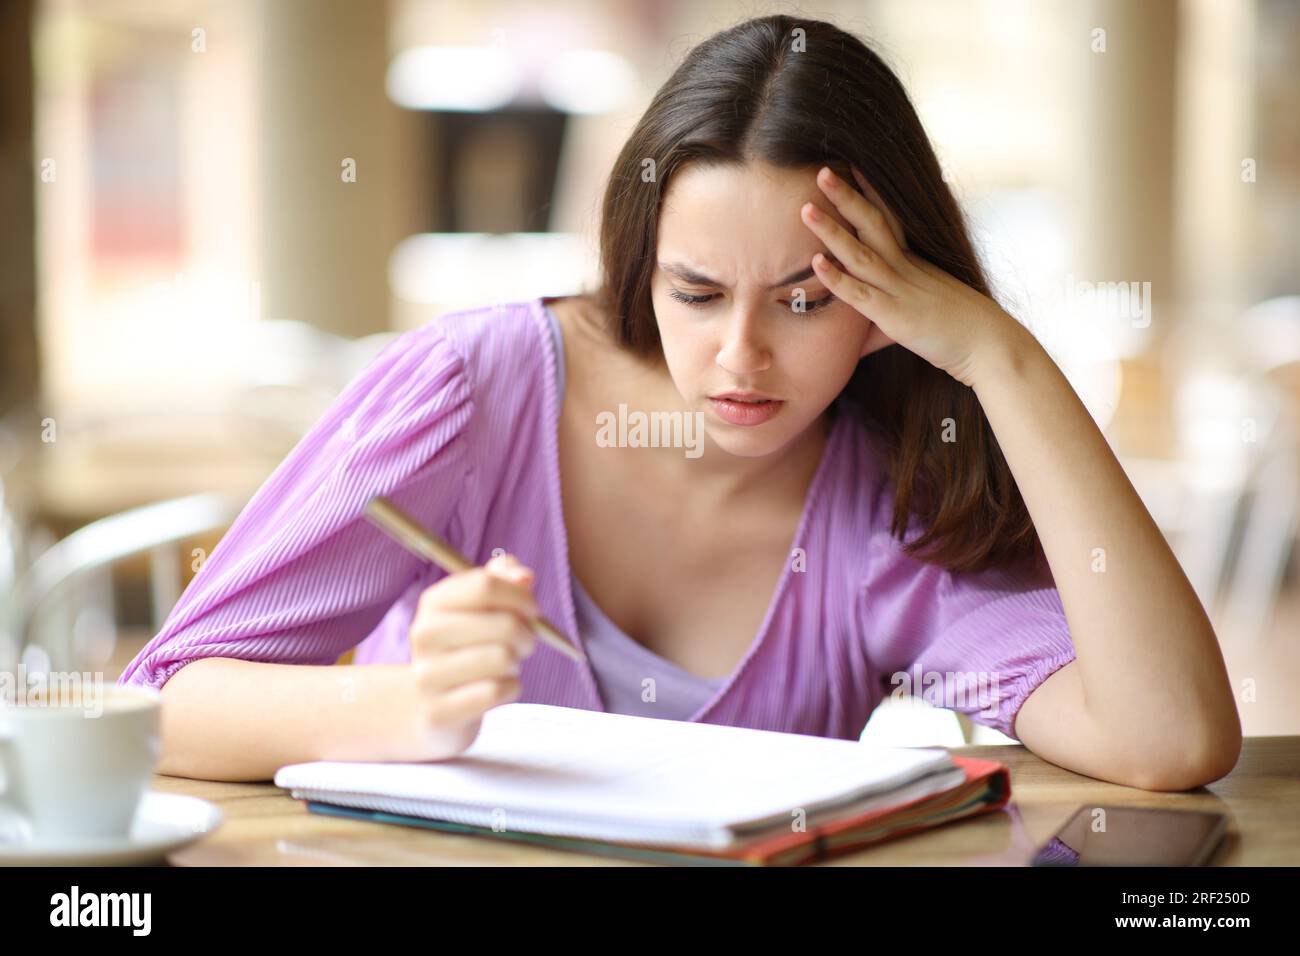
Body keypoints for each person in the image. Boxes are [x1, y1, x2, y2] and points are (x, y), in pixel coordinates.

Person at [119, 14, 1241, 788]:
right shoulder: (472, 394)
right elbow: (160, 704)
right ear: (638, 260)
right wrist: (402, 706)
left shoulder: (893, 508)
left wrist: (1004, 360)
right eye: (695, 292)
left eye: (805, 302)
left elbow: (1171, 736)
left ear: (892, 306)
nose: (738, 357)